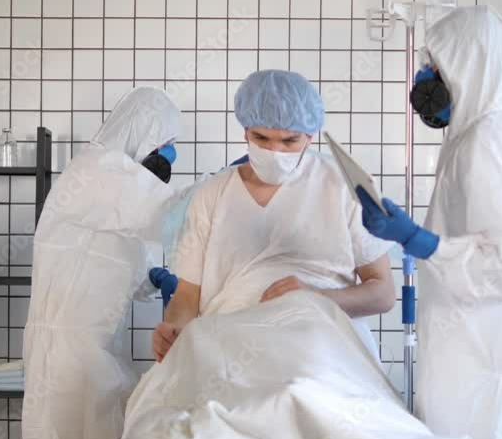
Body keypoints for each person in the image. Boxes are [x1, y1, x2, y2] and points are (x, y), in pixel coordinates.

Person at [355, 6, 502, 439]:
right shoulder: (472, 136)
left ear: (470, 64)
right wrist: (419, 243)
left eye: (435, 63)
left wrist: (420, 242)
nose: (424, 75)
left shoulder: (495, 139)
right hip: (465, 366)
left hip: (484, 383)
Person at [152, 69, 396, 363]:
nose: (274, 151)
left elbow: (382, 293)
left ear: (310, 135)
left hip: (322, 341)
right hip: (230, 341)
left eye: (289, 141)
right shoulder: (213, 194)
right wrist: (173, 329)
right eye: (261, 137)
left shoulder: (342, 185)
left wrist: (317, 297)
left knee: (308, 395)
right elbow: (187, 298)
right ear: (244, 131)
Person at [22, 86, 181, 439]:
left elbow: (127, 259)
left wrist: (154, 278)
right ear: (142, 130)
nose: (167, 151)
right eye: (164, 141)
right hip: (66, 350)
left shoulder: (120, 183)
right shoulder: (95, 170)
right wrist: (230, 187)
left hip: (94, 350)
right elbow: (174, 215)